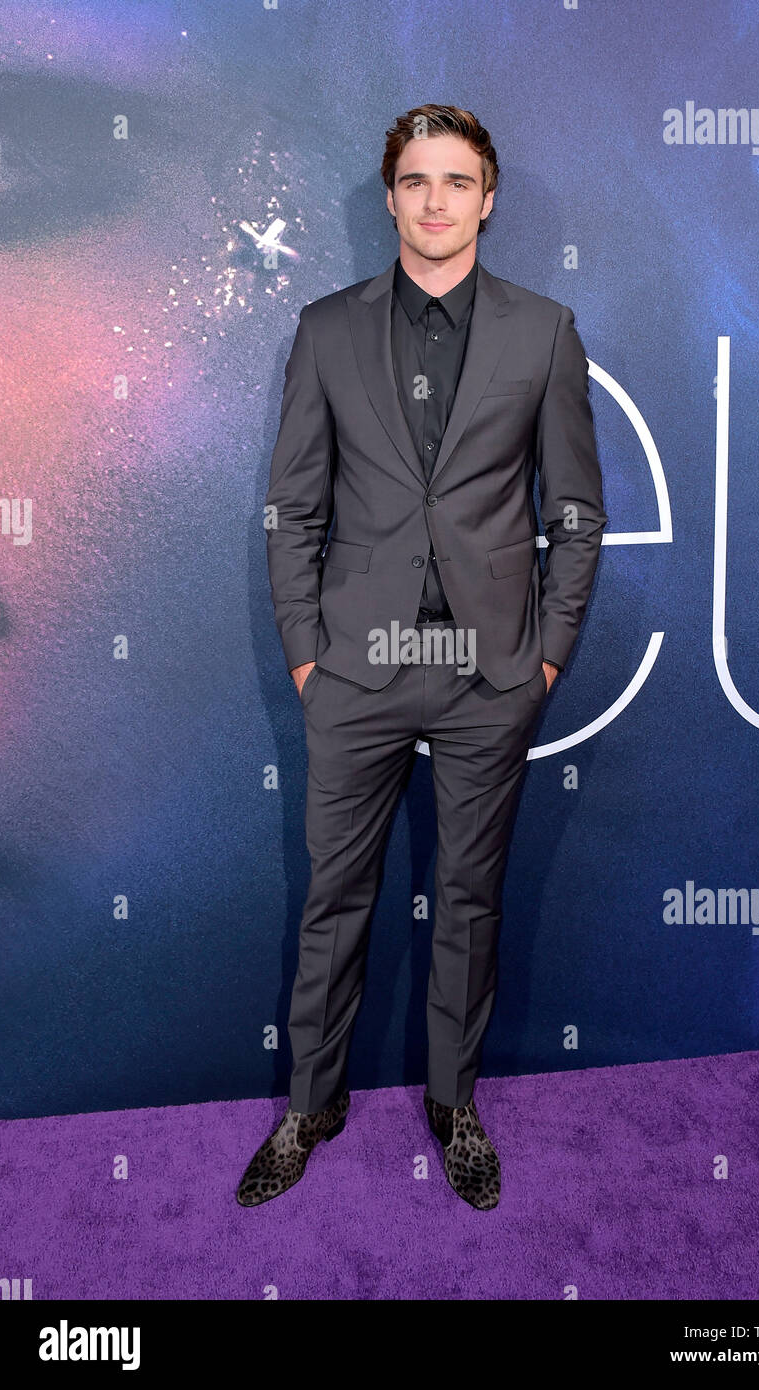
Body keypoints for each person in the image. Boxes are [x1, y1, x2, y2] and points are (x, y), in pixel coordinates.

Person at [237, 104, 607, 1212]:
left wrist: (544, 659)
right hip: (354, 668)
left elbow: (575, 513)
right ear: (390, 197)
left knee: (467, 899)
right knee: (332, 900)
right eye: (414, 181)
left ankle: (455, 1104)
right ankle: (311, 1102)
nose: (436, 201)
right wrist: (308, 656)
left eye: (456, 181)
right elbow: (291, 507)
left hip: (489, 674)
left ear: (486, 199)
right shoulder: (325, 329)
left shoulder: (544, 331)